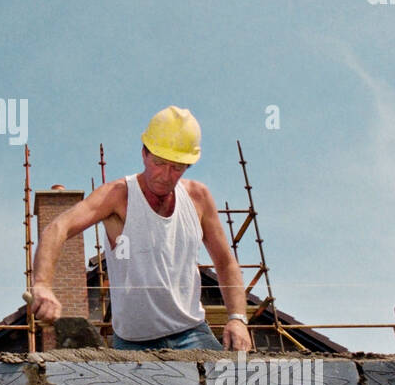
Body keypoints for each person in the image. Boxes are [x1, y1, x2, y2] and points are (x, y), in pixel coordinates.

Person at [30, 106, 253, 351]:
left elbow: (225, 262)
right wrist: (42, 284)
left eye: (176, 167)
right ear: (144, 153)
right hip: (133, 343)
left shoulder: (198, 198)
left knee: (231, 384)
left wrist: (238, 318)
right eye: (158, 163)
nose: (165, 176)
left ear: (187, 166)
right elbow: (57, 228)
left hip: (192, 334)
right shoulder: (118, 196)